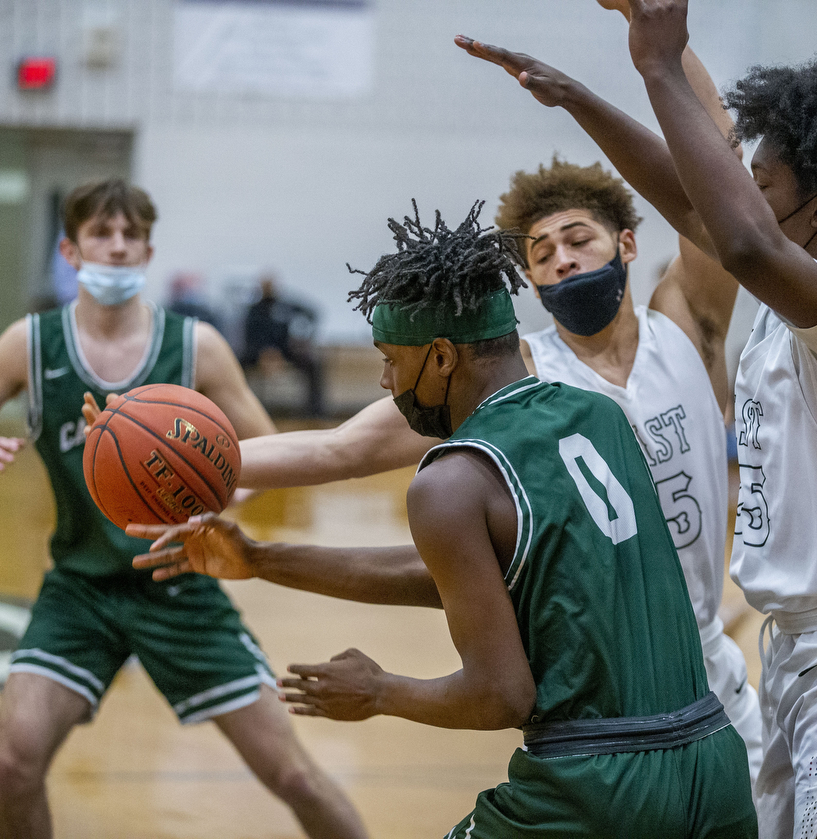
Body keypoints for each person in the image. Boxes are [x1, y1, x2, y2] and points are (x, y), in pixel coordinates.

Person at [458, 1, 817, 837]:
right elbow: (702, 197)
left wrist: (663, 65)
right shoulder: (786, 304)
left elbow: (737, 238)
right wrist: (584, 96)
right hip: (799, 648)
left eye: (761, 186)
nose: (738, 195)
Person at [129, 201, 758, 837]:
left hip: (595, 785)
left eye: (390, 359)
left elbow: (501, 696)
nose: (383, 380)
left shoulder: (451, 482)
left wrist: (379, 691)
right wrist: (262, 559)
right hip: (715, 762)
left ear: (440, 358)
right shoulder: (600, 417)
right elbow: (483, 577)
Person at [230, 66, 766, 785]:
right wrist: (205, 458)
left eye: (578, 239)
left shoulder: (686, 324)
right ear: (529, 282)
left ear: (629, 245)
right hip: (608, 706)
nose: (562, 258)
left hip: (715, 686)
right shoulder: (517, 378)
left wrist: (667, 53)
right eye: (541, 254)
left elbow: (722, 177)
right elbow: (340, 446)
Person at [0, 179, 367, 839]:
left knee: (294, 775)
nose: (116, 247)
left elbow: (264, 449)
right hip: (79, 590)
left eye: (129, 236)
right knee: (9, 761)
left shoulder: (195, 346)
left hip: (181, 590)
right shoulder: (29, 342)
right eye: (101, 234)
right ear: (70, 248)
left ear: (147, 250)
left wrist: (212, 505)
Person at [241, 273, 325, 417]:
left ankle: (314, 411)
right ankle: (243, 409)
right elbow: (249, 336)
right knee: (235, 364)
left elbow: (312, 313)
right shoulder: (253, 310)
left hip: (285, 350)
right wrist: (263, 353)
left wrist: (306, 338)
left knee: (313, 363)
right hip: (258, 352)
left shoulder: (285, 306)